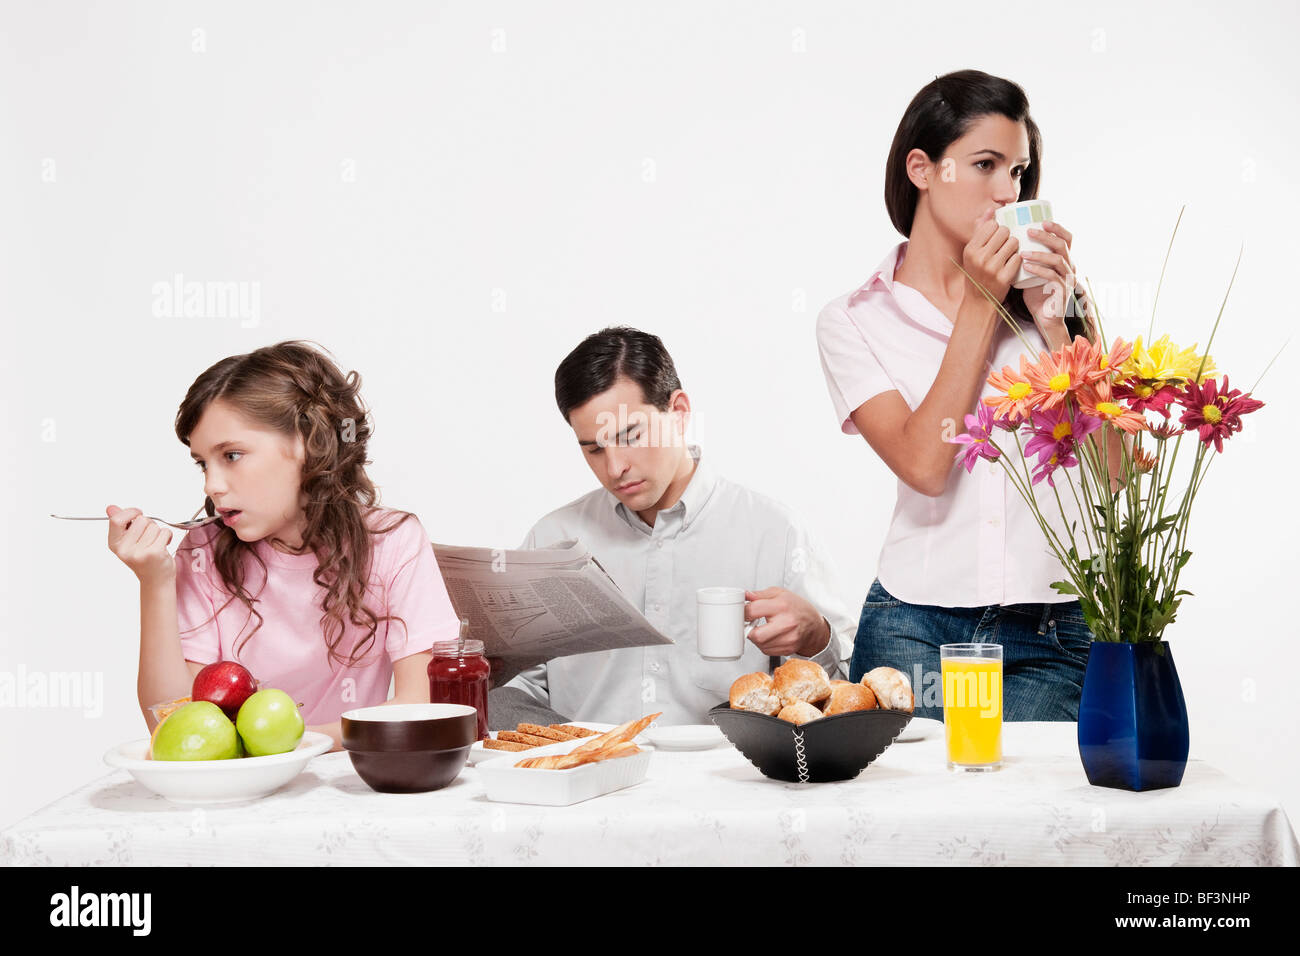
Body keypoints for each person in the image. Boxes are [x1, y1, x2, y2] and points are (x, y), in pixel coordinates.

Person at [815, 70, 1123, 722]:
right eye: (985, 164)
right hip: (911, 626)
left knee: (1031, 821)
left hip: (1054, 634)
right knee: (899, 824)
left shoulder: (1058, 306)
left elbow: (1119, 473)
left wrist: (1059, 326)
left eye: (1018, 172)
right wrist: (983, 304)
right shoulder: (855, 318)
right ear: (923, 169)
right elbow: (925, 466)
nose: (1006, 190)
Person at [106, 340, 460, 750]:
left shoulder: (391, 541)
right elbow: (170, 724)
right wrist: (154, 581)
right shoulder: (202, 552)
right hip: (241, 793)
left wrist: (291, 748)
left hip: (346, 787)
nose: (212, 485)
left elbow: (422, 703)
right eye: (203, 463)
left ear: (309, 444)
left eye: (232, 455)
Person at [494, 327, 854, 727]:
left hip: (732, 781)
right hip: (590, 778)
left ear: (679, 412)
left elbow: (845, 704)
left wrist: (817, 639)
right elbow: (517, 689)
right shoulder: (552, 541)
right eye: (594, 449)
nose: (615, 468)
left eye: (630, 435)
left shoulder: (777, 533)